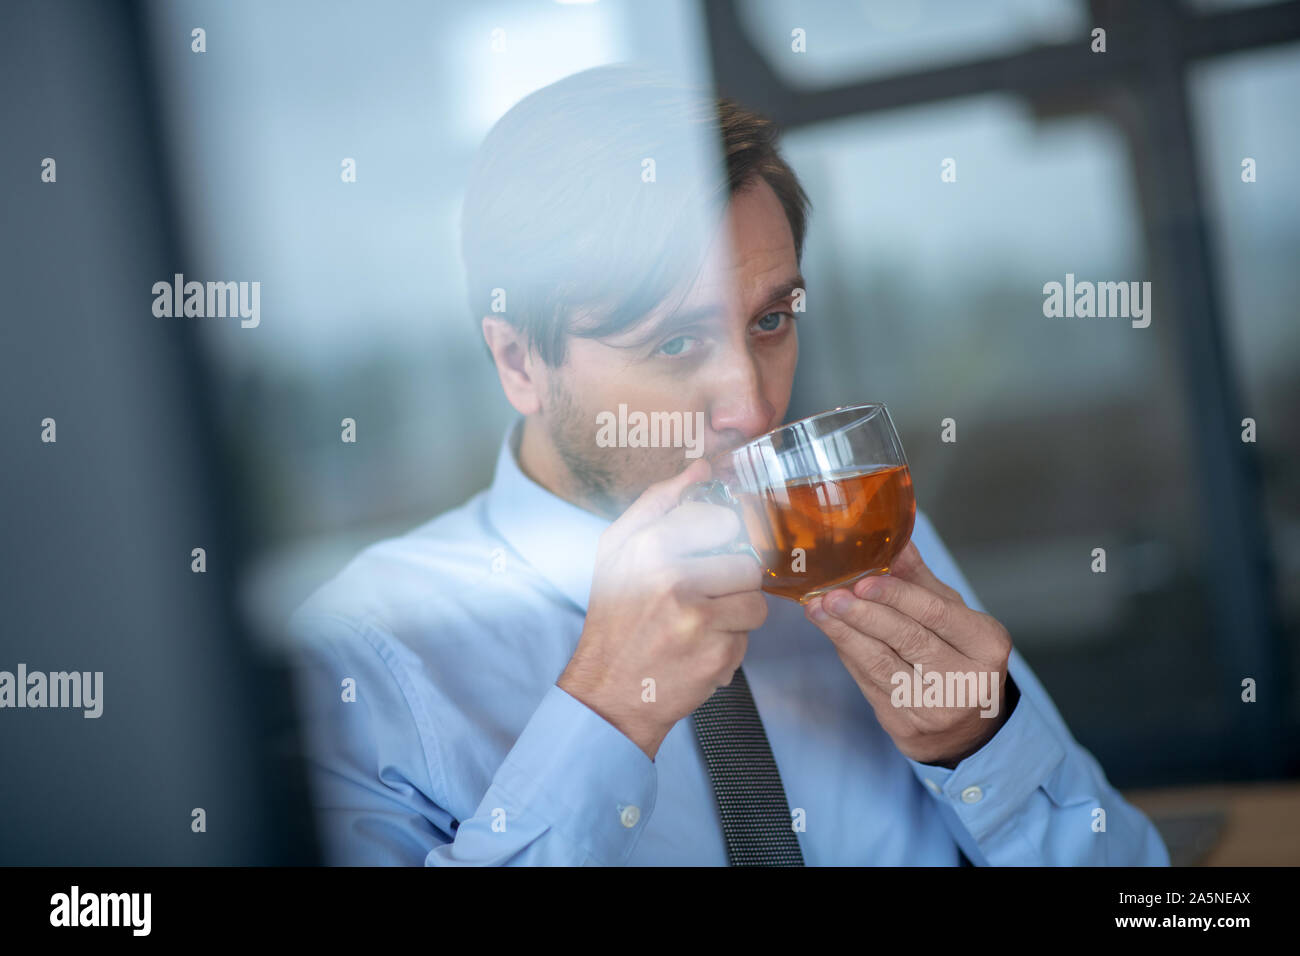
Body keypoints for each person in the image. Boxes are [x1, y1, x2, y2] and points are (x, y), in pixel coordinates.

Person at [286, 63, 1170, 866]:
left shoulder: (853, 537)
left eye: (770, 321)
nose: (751, 408)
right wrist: (605, 713)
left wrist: (981, 748)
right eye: (675, 341)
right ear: (520, 361)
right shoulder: (369, 660)